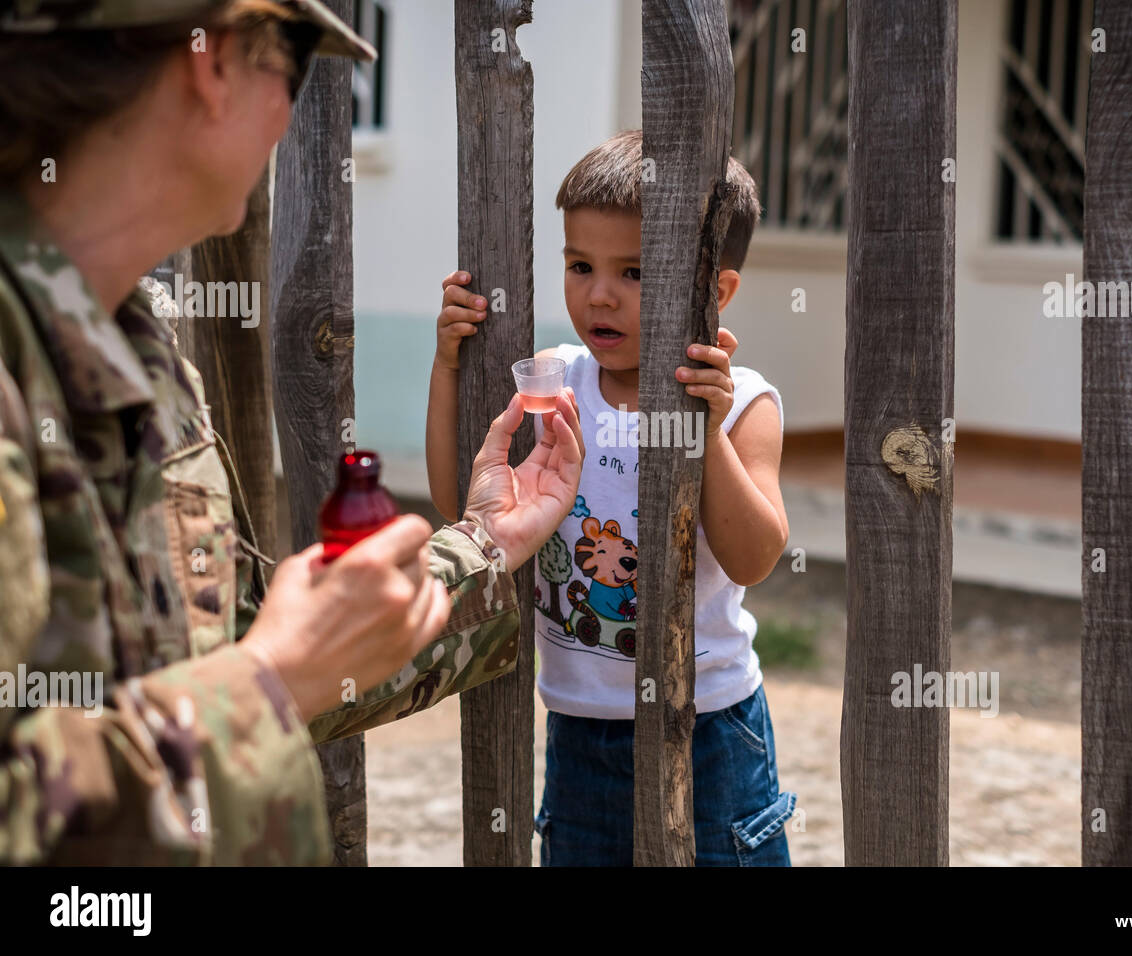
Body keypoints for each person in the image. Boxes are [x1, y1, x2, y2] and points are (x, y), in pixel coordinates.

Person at [0, 0, 583, 865]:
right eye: (297, 61)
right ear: (217, 63)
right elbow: (254, 673)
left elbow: (234, 644)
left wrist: (486, 544)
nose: (291, 109)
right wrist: (266, 682)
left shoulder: (132, 339)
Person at [426, 129, 796, 866]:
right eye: (580, 264)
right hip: (579, 730)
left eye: (633, 272)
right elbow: (456, 505)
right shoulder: (554, 385)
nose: (599, 293)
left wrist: (707, 430)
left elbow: (754, 557)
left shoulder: (746, 402)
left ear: (716, 291)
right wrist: (446, 364)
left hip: (711, 726)